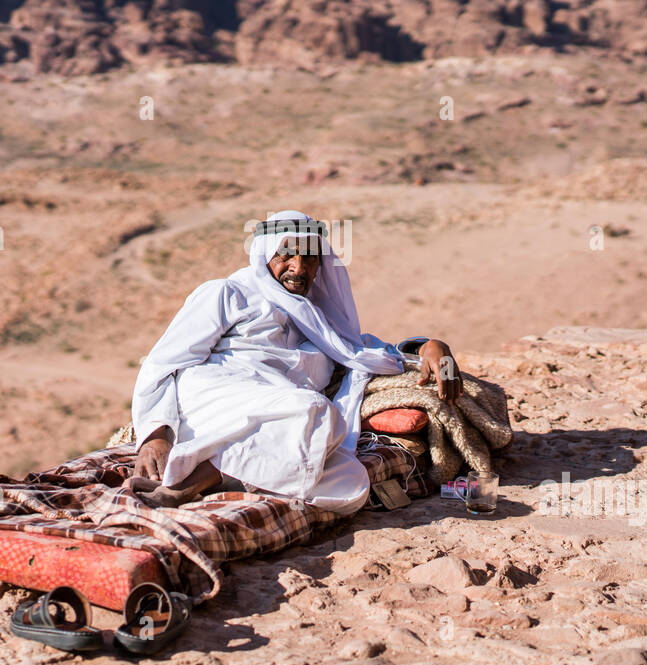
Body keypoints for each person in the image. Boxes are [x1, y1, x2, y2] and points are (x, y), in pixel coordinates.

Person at [127, 209, 459, 512]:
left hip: (282, 411)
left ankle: (234, 474)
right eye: (286, 254)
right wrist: (156, 436)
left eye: (310, 258)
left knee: (350, 483)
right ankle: (183, 487)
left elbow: (364, 351)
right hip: (217, 395)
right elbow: (163, 362)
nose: (298, 267)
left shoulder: (318, 318)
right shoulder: (226, 293)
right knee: (314, 410)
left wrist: (434, 347)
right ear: (265, 254)